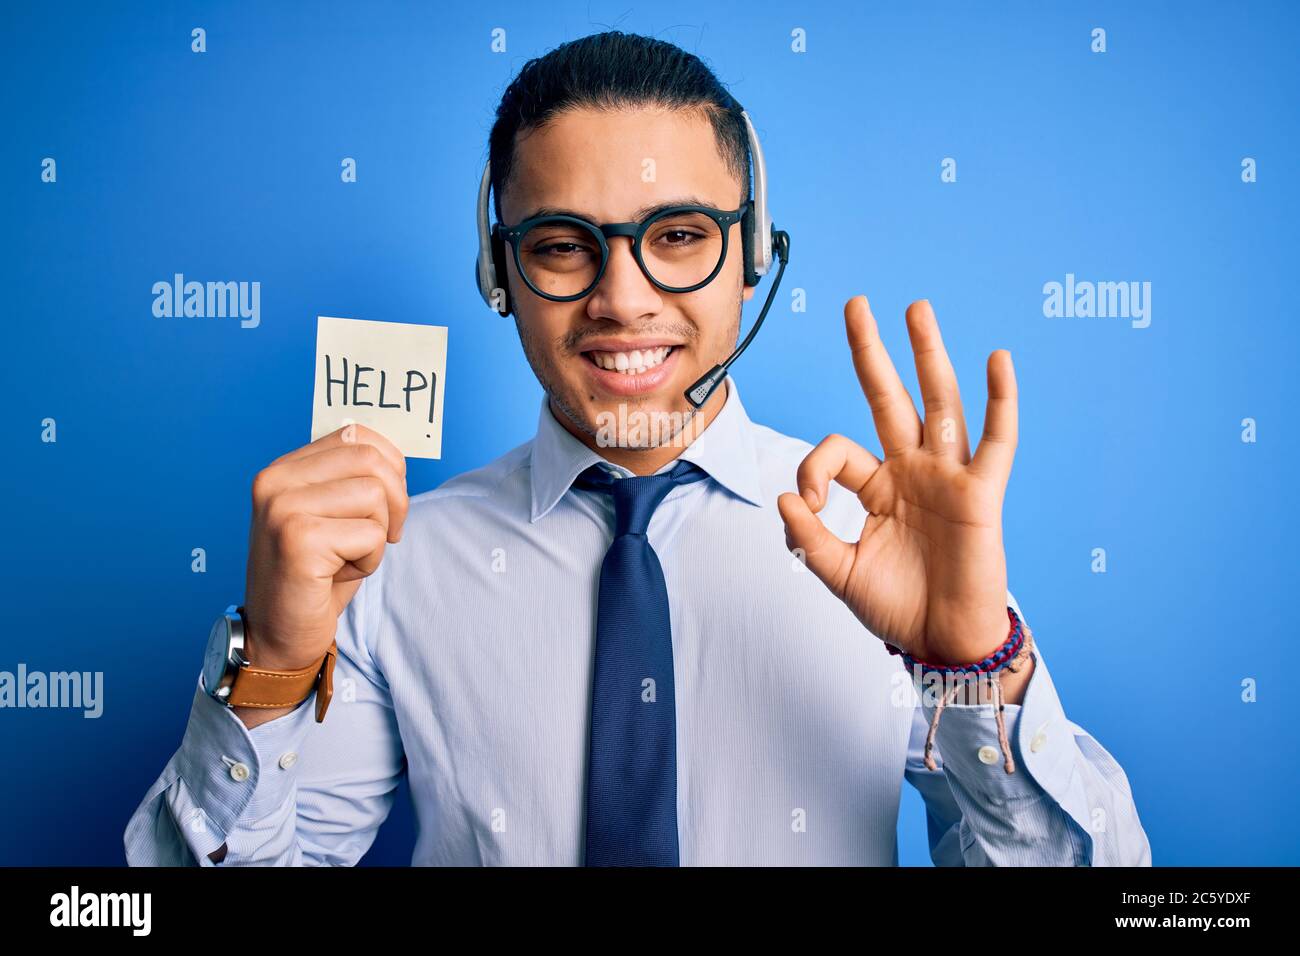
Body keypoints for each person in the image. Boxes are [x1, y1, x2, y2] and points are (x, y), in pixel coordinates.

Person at [124, 30, 1150, 866]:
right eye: (564, 245)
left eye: (678, 235)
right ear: (499, 271)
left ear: (749, 256)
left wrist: (973, 666)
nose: (622, 298)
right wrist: (272, 666)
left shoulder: (877, 542)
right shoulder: (389, 568)